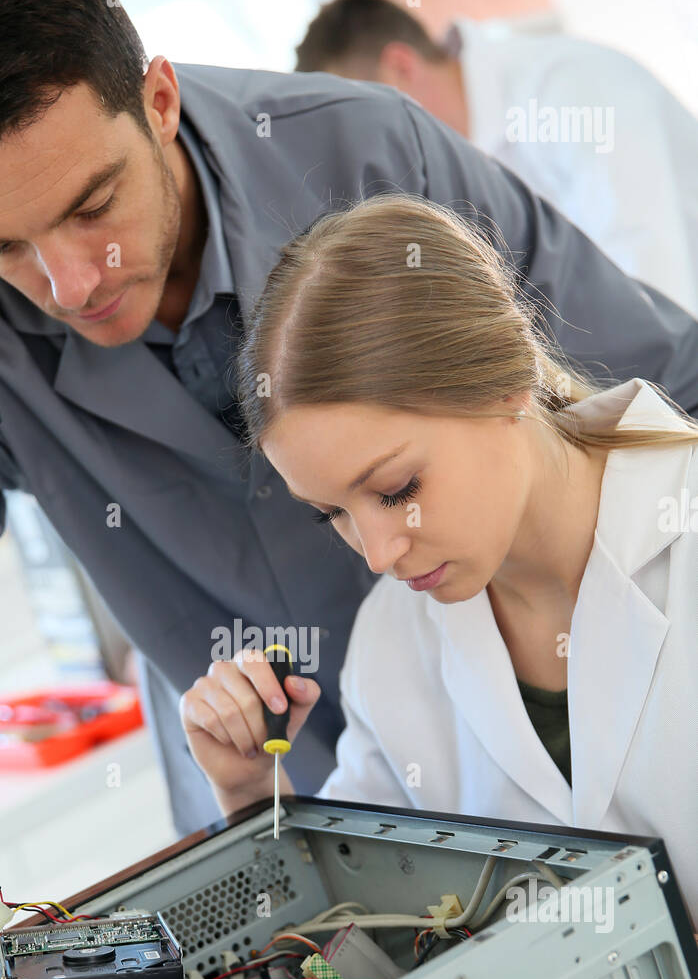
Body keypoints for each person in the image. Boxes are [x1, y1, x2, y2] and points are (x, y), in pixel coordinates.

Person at [0, 0, 698, 979]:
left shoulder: (361, 151)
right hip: (305, 773)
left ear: (161, 101)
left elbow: (648, 364)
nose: (71, 282)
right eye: (4, 247)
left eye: (91, 207)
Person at [180, 193, 698, 933]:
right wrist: (250, 794)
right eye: (332, 514)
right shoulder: (395, 639)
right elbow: (359, 944)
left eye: (396, 489)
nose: (381, 553)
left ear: (506, 381)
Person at [295, 0, 698, 314]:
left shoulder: (567, 87)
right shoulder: (454, 166)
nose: (372, 153)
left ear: (400, 67)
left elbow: (651, 279)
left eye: (364, 125)